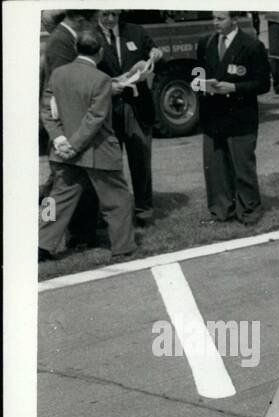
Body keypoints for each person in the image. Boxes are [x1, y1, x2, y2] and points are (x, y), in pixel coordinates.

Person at [39, 29, 136, 261]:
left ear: (76, 49)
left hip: (61, 152)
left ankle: (41, 243)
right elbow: (95, 118)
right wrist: (74, 145)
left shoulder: (58, 74)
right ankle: (122, 247)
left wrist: (61, 140)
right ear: (100, 52)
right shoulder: (101, 79)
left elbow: (46, 109)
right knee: (117, 200)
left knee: (57, 200)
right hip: (97, 151)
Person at [196, 11, 271, 226]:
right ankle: (220, 210)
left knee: (242, 166)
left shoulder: (251, 45)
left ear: (234, 19)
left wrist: (235, 87)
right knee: (215, 168)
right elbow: (196, 73)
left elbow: (263, 83)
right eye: (214, 18)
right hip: (212, 115)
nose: (215, 23)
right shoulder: (206, 43)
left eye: (220, 18)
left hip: (240, 117)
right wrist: (201, 83)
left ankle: (249, 210)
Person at [95, 9, 163, 226]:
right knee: (109, 165)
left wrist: (154, 56)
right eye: (105, 14)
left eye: (114, 14)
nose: (110, 19)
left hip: (137, 107)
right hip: (108, 108)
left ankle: (144, 210)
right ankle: (113, 214)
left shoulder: (135, 31)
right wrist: (112, 82)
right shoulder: (89, 36)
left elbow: (152, 53)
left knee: (141, 160)